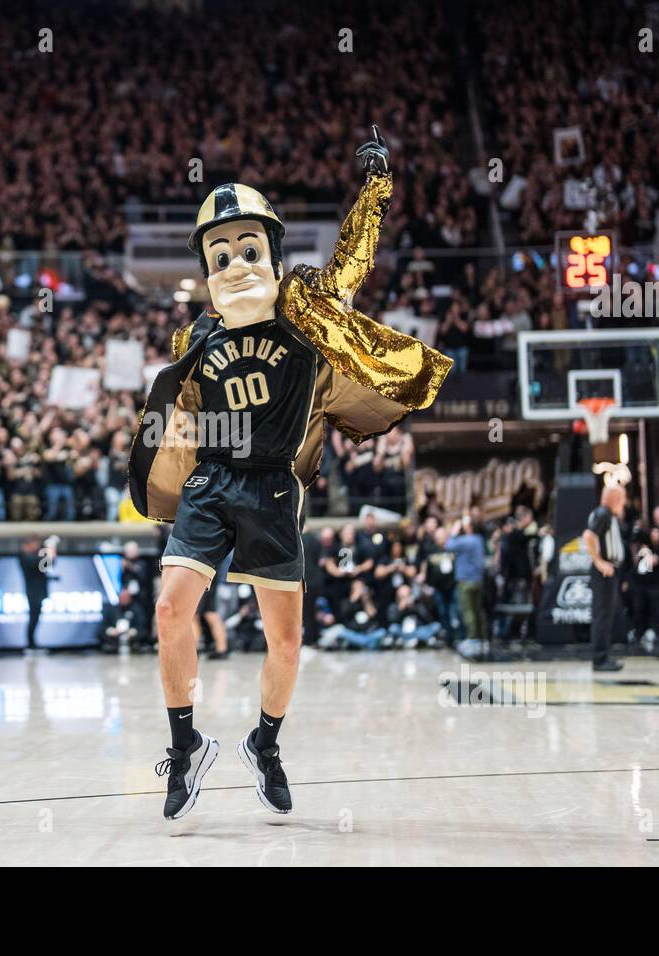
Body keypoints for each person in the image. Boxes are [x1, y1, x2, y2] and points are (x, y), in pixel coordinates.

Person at [127, 127, 450, 820]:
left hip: (274, 487)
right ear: (207, 266)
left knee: (286, 642)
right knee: (168, 608)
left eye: (249, 247)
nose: (236, 260)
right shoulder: (196, 338)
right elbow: (185, 414)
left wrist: (375, 188)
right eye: (222, 251)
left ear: (271, 251)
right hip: (213, 483)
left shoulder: (306, 316)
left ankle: (264, 745)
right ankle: (186, 750)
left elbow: (352, 263)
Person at [582, 483, 628, 671]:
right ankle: (600, 659)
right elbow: (588, 536)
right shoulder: (603, 513)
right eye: (622, 499)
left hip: (609, 571)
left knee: (606, 615)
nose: (623, 503)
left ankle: (603, 657)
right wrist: (599, 561)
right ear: (615, 498)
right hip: (604, 571)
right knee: (602, 615)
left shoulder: (607, 514)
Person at [445, 515, 487, 645]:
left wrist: (454, 531)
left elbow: (449, 545)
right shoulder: (479, 540)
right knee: (478, 611)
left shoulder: (466, 541)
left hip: (466, 582)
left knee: (468, 612)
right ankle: (482, 639)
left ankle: (473, 639)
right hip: (478, 580)